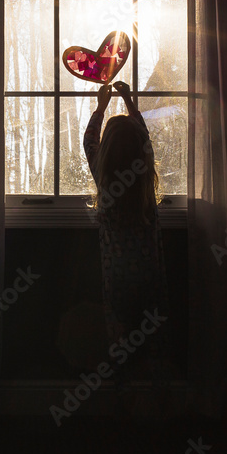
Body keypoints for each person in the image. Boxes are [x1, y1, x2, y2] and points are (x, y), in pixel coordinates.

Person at [83, 81, 170, 390]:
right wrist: (130, 103)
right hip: (150, 277)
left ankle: (124, 403)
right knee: (152, 340)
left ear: (106, 151)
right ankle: (157, 399)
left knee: (121, 342)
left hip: (118, 281)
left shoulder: (107, 183)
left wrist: (101, 107)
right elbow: (144, 138)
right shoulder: (145, 184)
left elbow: (88, 141)